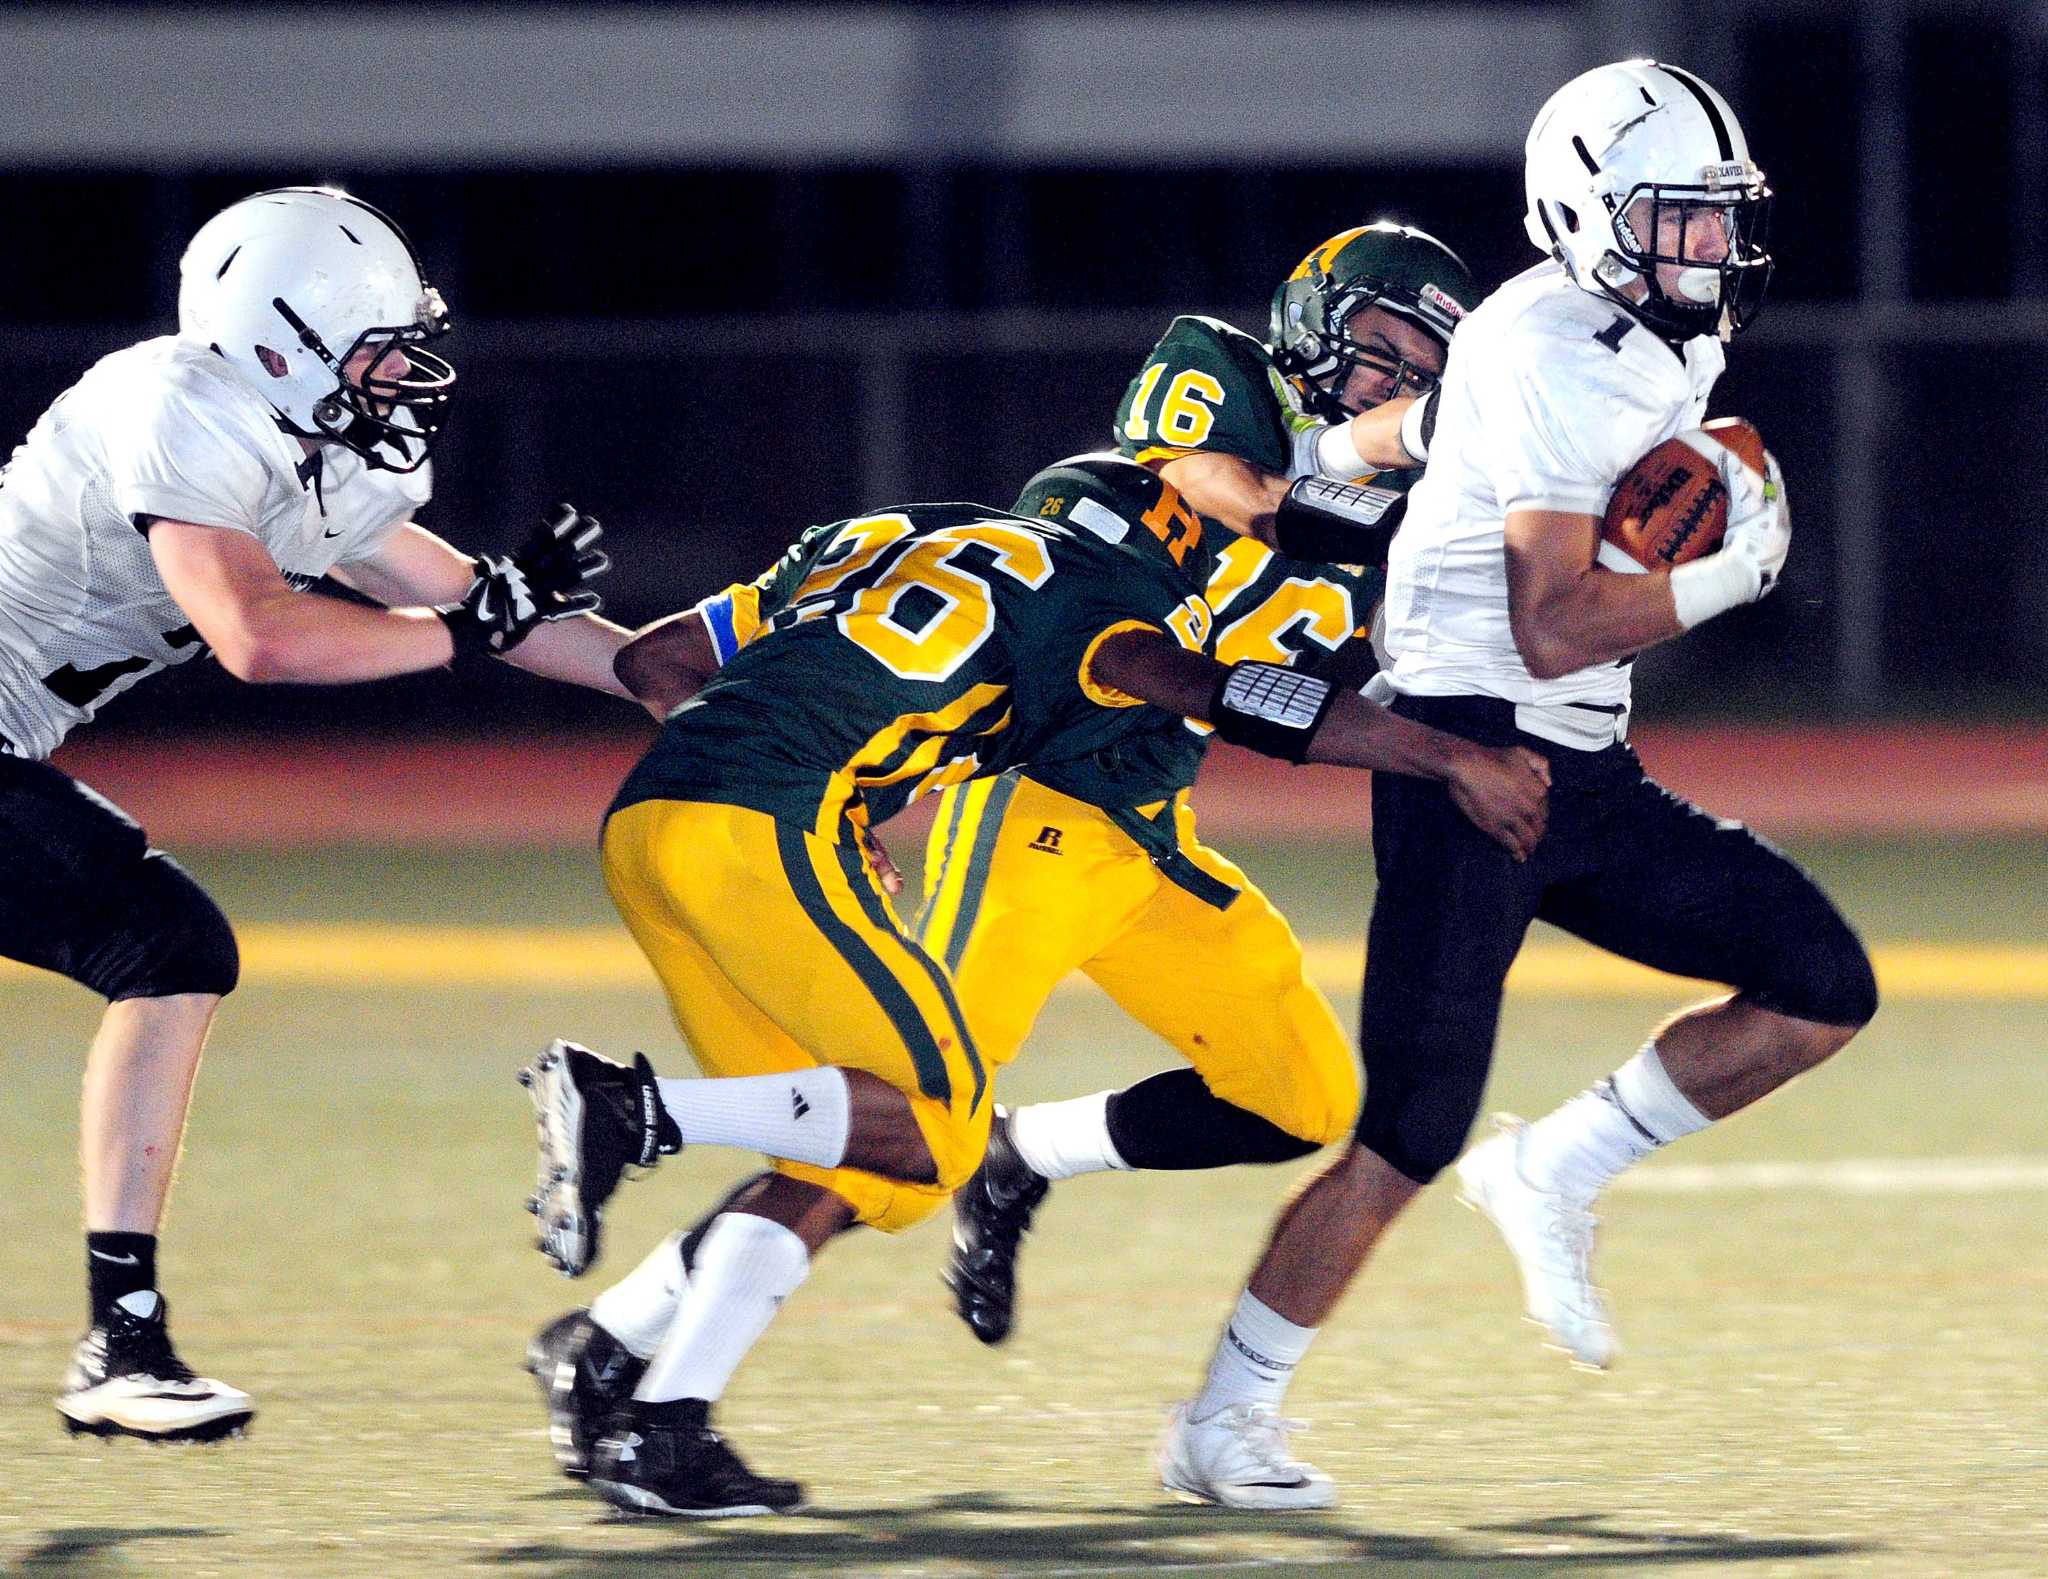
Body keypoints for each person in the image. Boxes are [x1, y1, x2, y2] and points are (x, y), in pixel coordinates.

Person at [515, 487, 1552, 1517]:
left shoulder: (893, 529)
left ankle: (655, 1416)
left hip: (653, 818)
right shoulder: (1099, 598)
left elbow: (653, 660)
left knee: (853, 1134)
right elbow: (1233, 694)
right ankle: (637, 1116)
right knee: (927, 1130)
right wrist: (1452, 756)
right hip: (777, 828)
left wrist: (745, 751)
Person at [1154, 58, 1878, 1511]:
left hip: (1582, 759)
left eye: (1722, 217)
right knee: (1409, 1129)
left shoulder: (1624, 335)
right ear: (1591, 213)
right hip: (1469, 753)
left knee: (1819, 983)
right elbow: (1549, 617)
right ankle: (1219, 1422)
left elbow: (1418, 436)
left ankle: (1553, 1165)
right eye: (1683, 218)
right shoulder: (1559, 346)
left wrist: (1302, 459)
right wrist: (1733, 569)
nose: (1714, 248)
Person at [1, 186, 628, 1442]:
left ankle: (123, 1341)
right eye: (381, 345)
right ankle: (122, 1345)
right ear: (281, 336)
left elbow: (502, 616)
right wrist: (460, 631)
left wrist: (714, 687)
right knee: (165, 946)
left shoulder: (321, 458)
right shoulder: (176, 404)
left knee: (167, 950)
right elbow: (257, 638)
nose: (406, 372)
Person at [929, 227, 1479, 1359]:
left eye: (1424, 372)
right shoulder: (1221, 374)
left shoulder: (1415, 518)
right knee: (899, 1113)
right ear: (1316, 317)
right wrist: (1385, 503)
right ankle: (633, 1339)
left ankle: (1020, 1154)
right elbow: (1221, 487)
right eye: (1384, 348)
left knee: (1300, 1097)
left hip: (1145, 824)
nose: (1399, 382)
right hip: (1033, 787)